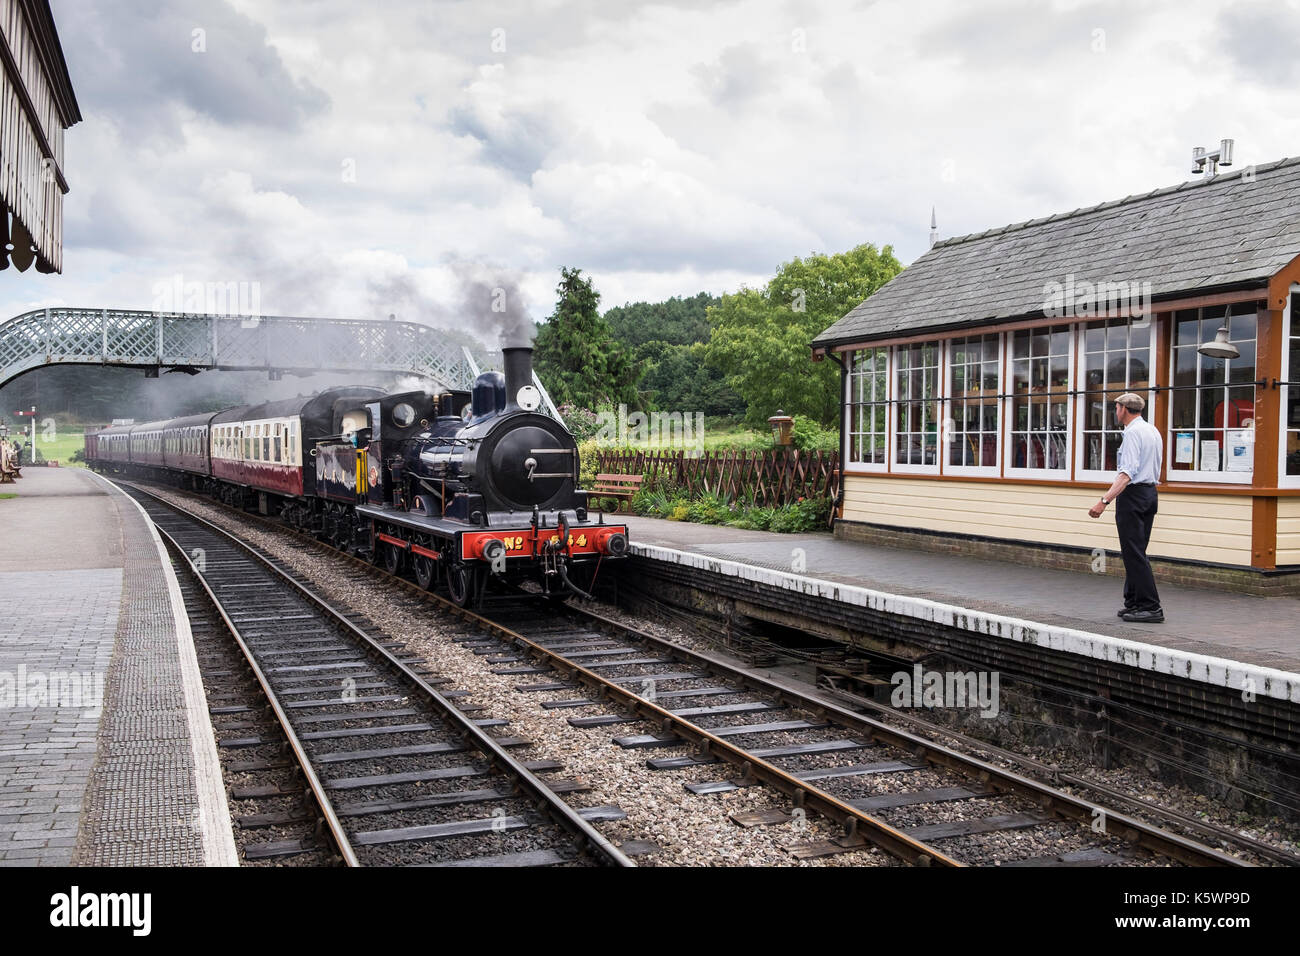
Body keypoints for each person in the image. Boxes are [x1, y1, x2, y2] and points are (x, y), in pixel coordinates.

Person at [1087, 392, 1163, 623]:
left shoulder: (1132, 434)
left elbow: (1126, 474)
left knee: (1134, 553)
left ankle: (1151, 607)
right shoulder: (1152, 430)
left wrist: (1104, 501)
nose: (1115, 411)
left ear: (1123, 409)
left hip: (1133, 496)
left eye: (1116, 407)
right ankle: (1134, 601)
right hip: (1150, 494)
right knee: (1137, 551)